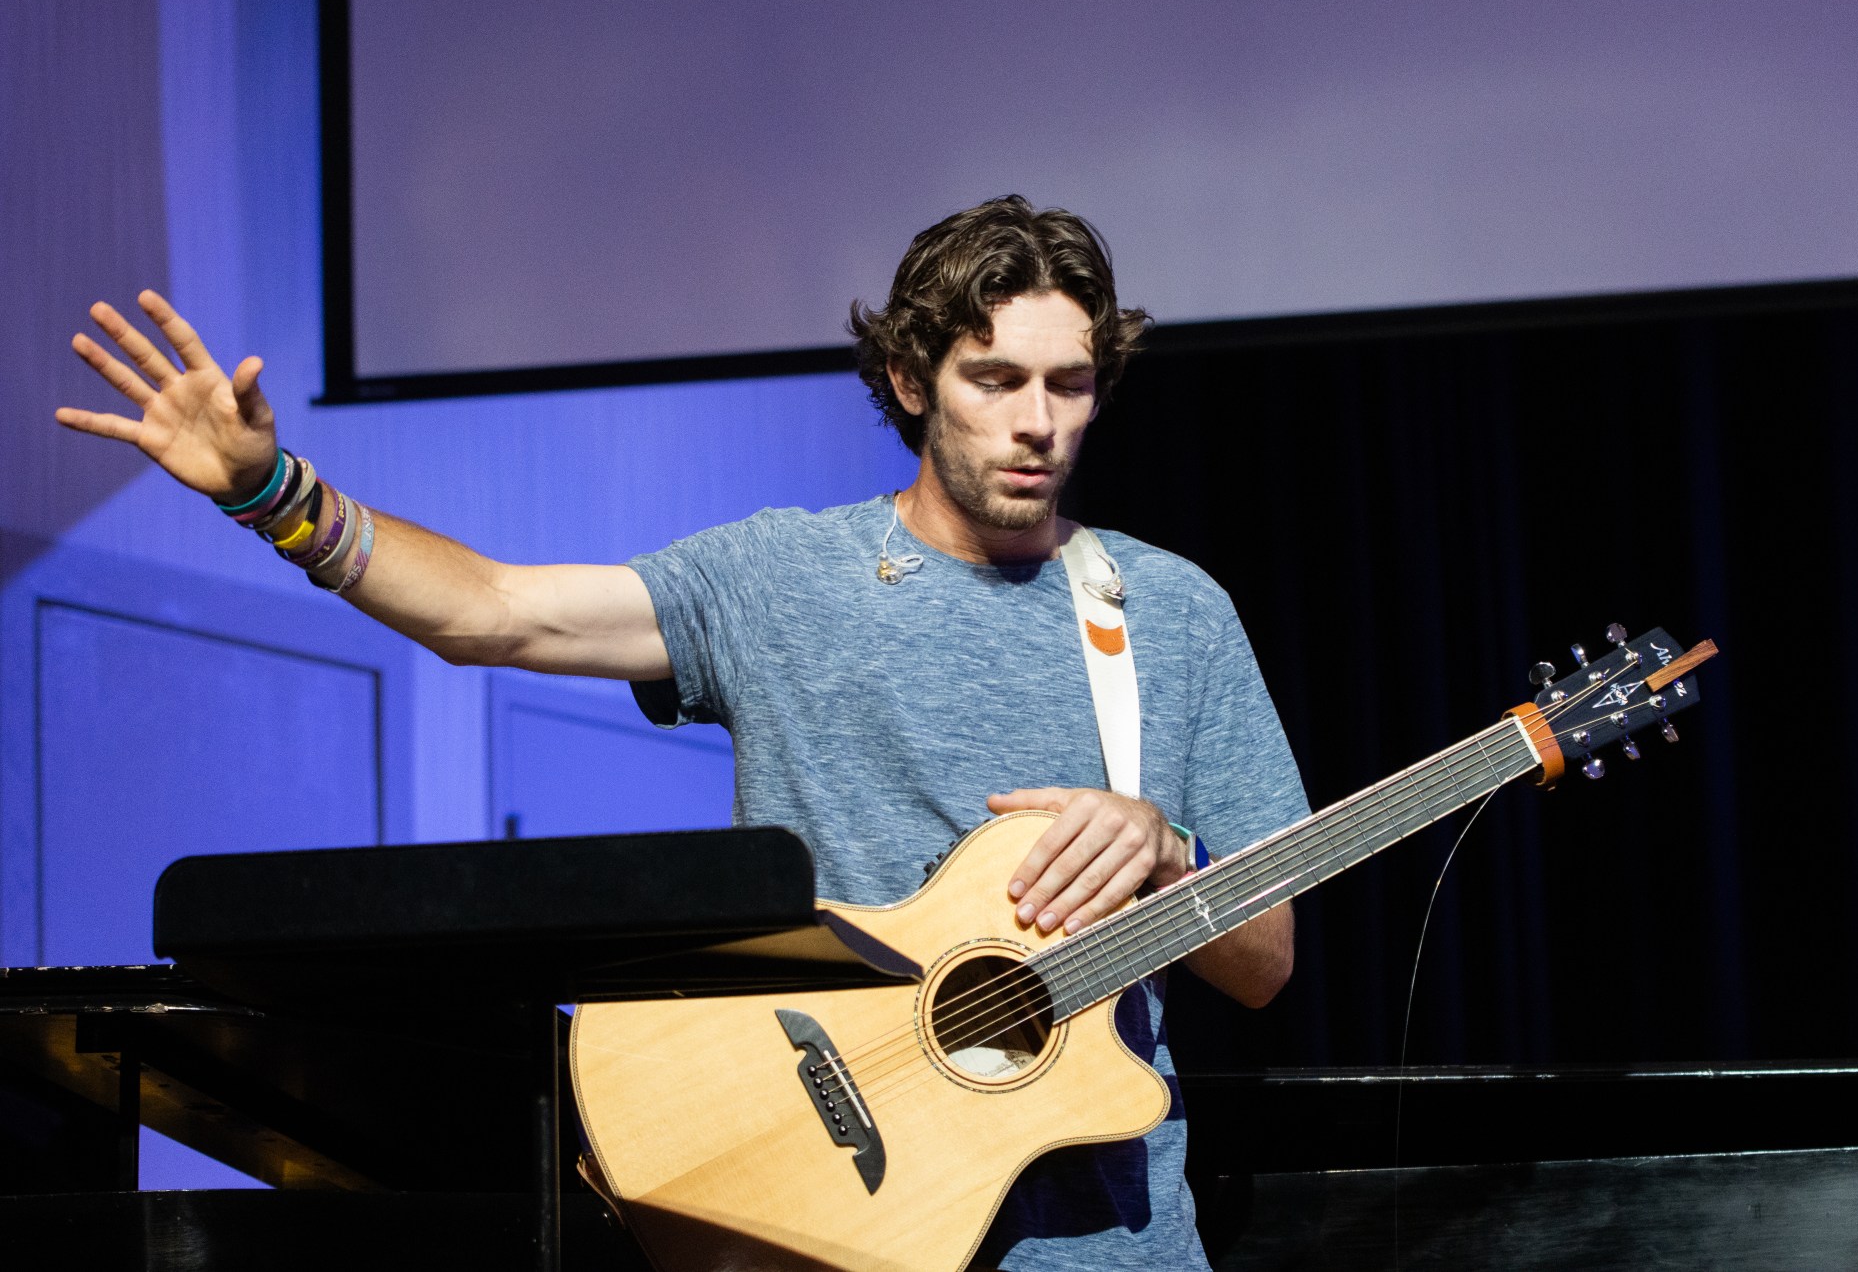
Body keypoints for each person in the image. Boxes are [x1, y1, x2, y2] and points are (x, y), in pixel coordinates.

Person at [56, 194, 1306, 1270]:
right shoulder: (783, 577)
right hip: (818, 1217)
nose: (1039, 421)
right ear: (913, 381)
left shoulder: (1169, 610)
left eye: (1069, 383)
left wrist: (1167, 852)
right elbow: (497, 614)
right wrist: (274, 495)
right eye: (996, 378)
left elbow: (1263, 963)